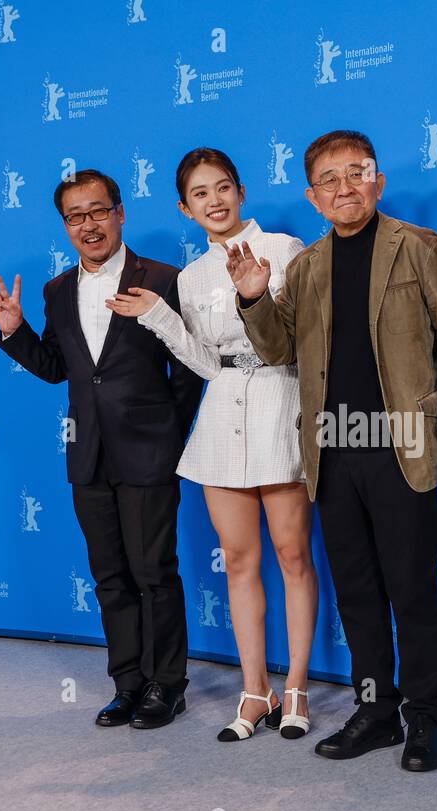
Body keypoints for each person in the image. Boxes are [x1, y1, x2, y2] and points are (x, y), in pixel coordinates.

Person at [225, 130, 437, 772]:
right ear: (313, 196)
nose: (345, 186)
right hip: (333, 450)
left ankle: (424, 719)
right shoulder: (304, 267)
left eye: (358, 173)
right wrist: (251, 297)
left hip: (401, 444)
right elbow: (277, 349)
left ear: (377, 180)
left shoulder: (420, 247)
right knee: (356, 588)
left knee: (412, 590)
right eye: (330, 178)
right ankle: (376, 712)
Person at [108, 148, 318, 742]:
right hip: (222, 417)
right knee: (241, 562)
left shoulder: (285, 250)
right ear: (184, 207)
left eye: (223, 187)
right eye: (201, 194)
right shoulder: (191, 278)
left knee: (293, 554)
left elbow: (301, 344)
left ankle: (297, 685)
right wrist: (159, 317)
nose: (215, 201)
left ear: (241, 191)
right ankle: (256, 691)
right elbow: (205, 363)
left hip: (281, 405)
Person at [0, 169, 203, 731]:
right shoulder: (56, 290)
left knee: (154, 572)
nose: (89, 224)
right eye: (76, 216)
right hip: (86, 455)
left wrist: (170, 436)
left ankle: (167, 685)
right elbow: (60, 369)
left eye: (98, 211)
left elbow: (187, 369)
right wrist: (15, 332)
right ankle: (128, 683)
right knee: (109, 576)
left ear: (120, 213)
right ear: (65, 226)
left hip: (149, 452)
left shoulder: (161, 277)